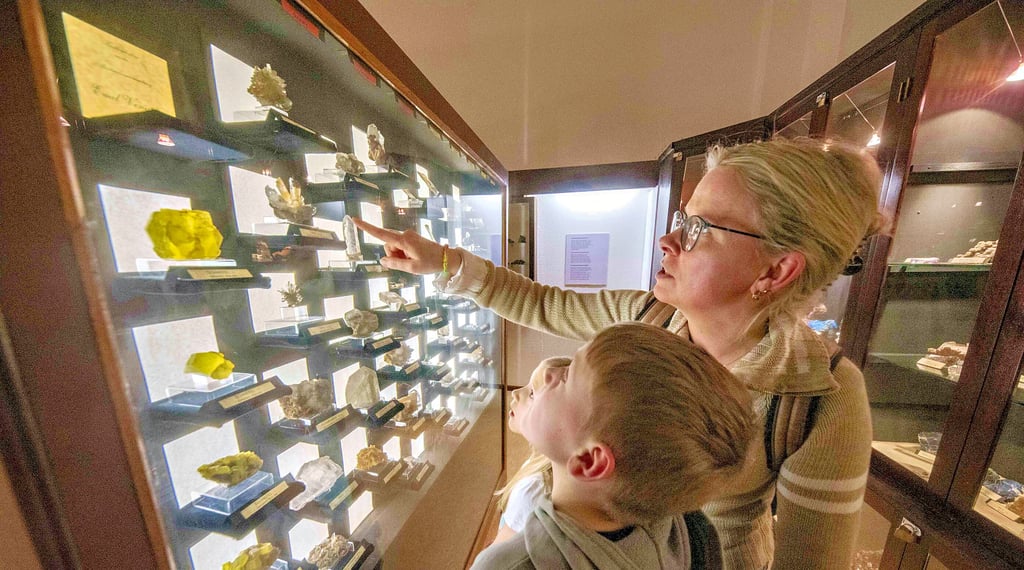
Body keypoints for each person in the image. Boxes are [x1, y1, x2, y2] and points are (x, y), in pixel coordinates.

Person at [355, 136, 885, 569]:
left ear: (775, 270)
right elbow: (540, 303)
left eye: (700, 230)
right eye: (683, 218)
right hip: (570, 531)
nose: (669, 241)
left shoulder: (822, 395)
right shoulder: (647, 318)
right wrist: (443, 261)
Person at [470, 322, 755, 569]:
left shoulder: (507, 565)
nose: (548, 373)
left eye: (567, 378)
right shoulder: (695, 533)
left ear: (589, 462)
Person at [493, 357, 572, 544]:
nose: (515, 393)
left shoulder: (532, 490)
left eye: (531, 394)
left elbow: (495, 557)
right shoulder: (541, 465)